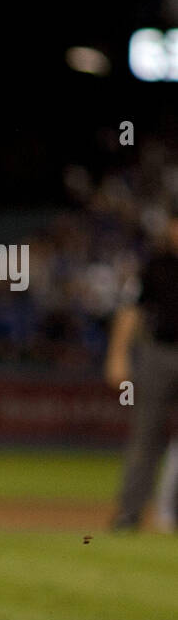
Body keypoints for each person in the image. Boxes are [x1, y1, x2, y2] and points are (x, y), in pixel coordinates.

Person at [106, 213, 178, 531]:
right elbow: (130, 310)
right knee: (145, 435)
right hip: (158, 352)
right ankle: (130, 511)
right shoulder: (155, 265)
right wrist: (118, 355)